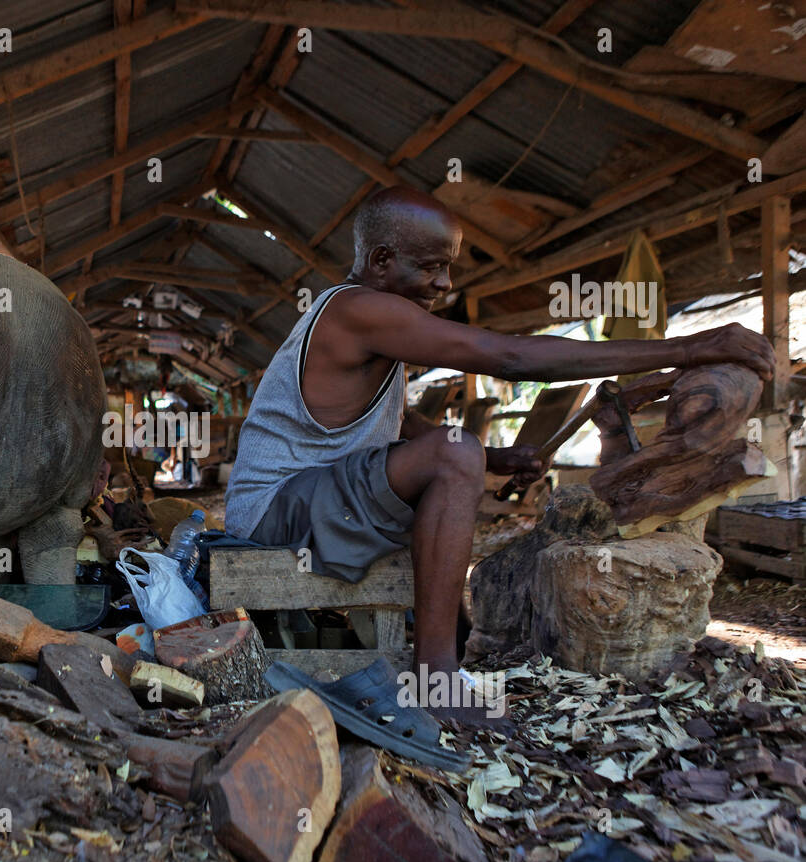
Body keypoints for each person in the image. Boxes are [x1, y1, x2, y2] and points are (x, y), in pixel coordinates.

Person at [224, 186, 774, 720]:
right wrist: (690, 346)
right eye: (432, 266)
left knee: (456, 457)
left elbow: (396, 422)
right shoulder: (358, 311)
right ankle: (435, 679)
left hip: (303, 506)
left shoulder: (366, 319)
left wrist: (498, 458)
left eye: (449, 266)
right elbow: (508, 356)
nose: (445, 282)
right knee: (452, 456)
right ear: (381, 259)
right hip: (276, 517)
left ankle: (455, 644)